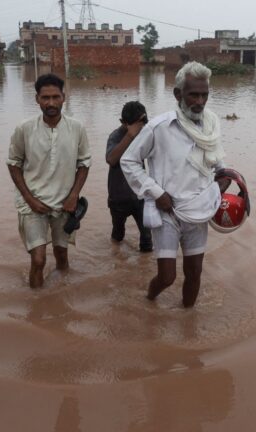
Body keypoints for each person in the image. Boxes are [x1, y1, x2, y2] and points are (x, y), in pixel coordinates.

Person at [120, 62, 228, 308]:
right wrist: (156, 193)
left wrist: (222, 182)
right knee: (167, 277)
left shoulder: (210, 127)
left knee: (194, 273)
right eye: (193, 94)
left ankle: (188, 323)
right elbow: (129, 161)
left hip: (199, 212)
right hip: (166, 212)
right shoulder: (159, 127)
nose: (200, 101)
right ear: (178, 94)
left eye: (205, 94)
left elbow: (219, 166)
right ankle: (149, 302)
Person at [6, 73, 91, 288]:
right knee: (38, 260)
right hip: (33, 204)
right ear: (37, 99)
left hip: (64, 204)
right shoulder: (24, 129)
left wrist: (73, 196)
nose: (51, 103)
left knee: (62, 255)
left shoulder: (77, 128)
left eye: (55, 97)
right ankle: (36, 308)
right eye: (45, 98)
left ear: (64, 97)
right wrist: (29, 198)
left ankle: (61, 294)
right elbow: (13, 163)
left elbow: (84, 164)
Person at [106, 101, 153, 253]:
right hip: (118, 198)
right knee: (118, 236)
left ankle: (144, 268)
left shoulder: (145, 133)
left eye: (142, 124)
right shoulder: (115, 136)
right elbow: (111, 160)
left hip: (140, 197)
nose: (140, 129)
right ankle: (116, 259)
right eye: (137, 126)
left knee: (147, 239)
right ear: (123, 123)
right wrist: (130, 135)